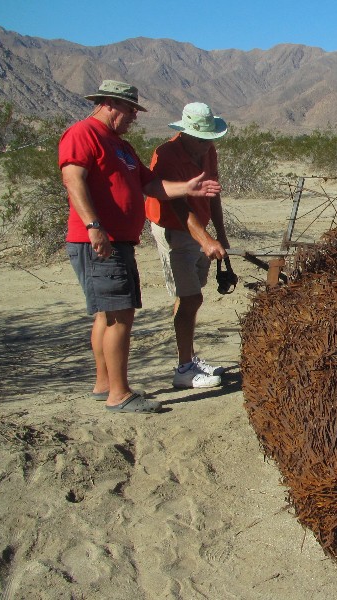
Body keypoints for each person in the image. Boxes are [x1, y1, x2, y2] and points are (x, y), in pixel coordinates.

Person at [60, 81, 222, 413]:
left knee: (108, 313)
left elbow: (150, 184)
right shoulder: (83, 134)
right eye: (130, 109)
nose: (135, 116)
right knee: (120, 314)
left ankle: (104, 384)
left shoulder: (122, 146)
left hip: (120, 240)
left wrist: (186, 186)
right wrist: (94, 226)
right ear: (108, 104)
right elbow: (73, 179)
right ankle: (119, 394)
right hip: (100, 238)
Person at [146, 102, 231, 389]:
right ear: (185, 133)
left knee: (188, 295)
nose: (206, 145)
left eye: (210, 139)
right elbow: (179, 208)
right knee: (191, 297)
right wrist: (205, 240)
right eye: (201, 139)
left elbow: (213, 194)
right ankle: (184, 369)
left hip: (199, 228)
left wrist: (219, 232)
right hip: (173, 228)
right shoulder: (166, 155)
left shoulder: (208, 151)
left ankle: (188, 358)